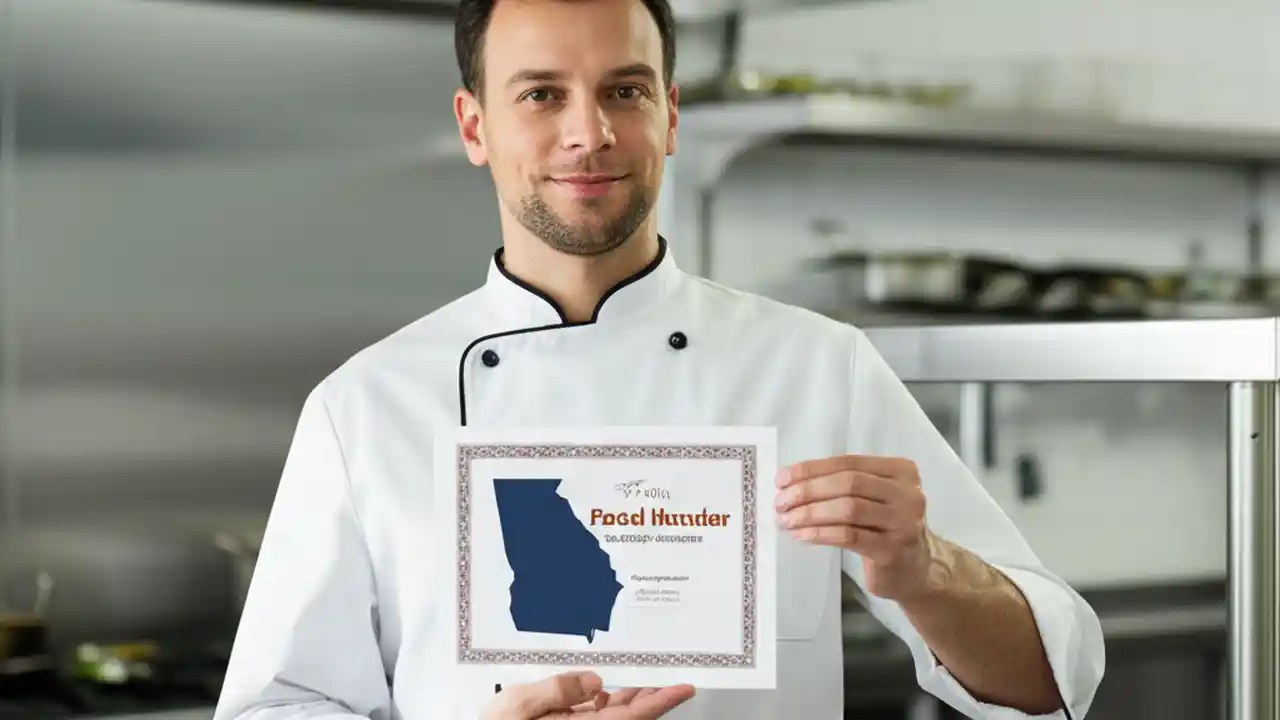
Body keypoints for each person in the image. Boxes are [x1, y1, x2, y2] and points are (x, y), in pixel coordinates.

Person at [212, 0, 1105, 716]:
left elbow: (1049, 684)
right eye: (541, 94)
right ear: (474, 125)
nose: (588, 131)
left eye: (626, 90)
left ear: (671, 115)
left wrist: (928, 570)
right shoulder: (365, 407)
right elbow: (274, 707)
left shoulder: (817, 366)